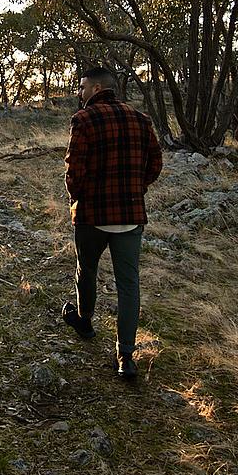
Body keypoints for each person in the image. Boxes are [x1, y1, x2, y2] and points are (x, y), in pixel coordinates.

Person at [61, 67, 162, 379]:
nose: (79, 93)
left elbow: (74, 169)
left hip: (92, 215)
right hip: (130, 217)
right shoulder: (142, 120)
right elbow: (155, 163)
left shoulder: (84, 120)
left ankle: (85, 321)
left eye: (81, 87)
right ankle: (126, 357)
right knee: (129, 286)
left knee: (86, 270)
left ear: (94, 88)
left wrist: (76, 197)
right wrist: (137, 189)